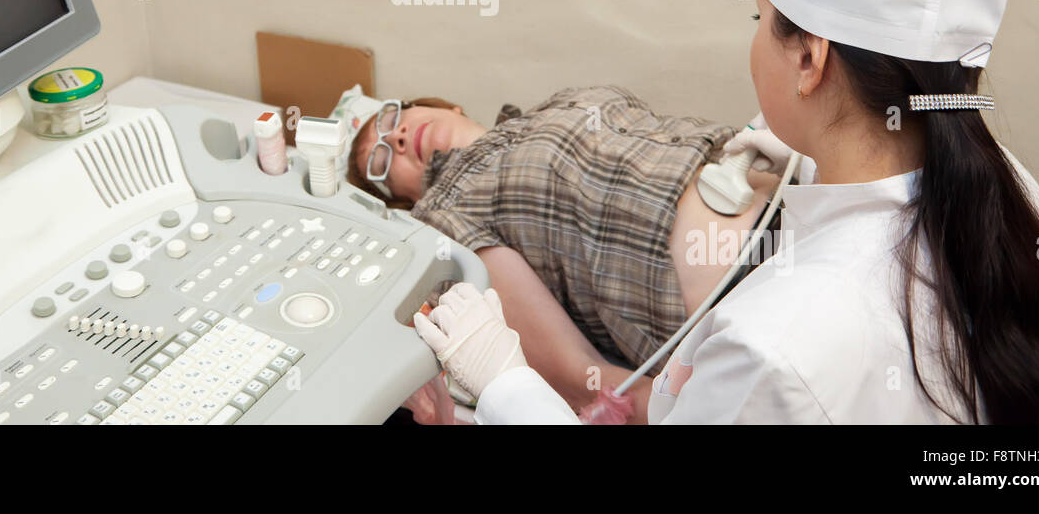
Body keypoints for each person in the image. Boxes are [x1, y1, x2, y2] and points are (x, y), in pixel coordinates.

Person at [414, 0, 1039, 424]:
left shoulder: (774, 351)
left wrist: (503, 380)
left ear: (810, 59)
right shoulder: (1004, 191)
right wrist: (809, 166)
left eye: (757, 19)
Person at [337, 85, 794, 421]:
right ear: (396, 200)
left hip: (806, 191)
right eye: (379, 161)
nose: (395, 138)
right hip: (754, 300)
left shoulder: (556, 102)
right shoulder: (444, 227)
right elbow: (581, 379)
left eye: (392, 118)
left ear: (443, 105)